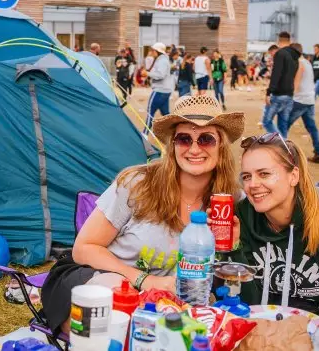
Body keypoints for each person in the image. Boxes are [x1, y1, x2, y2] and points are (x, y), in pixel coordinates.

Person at [41, 95, 245, 334]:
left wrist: (232, 245)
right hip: (99, 280)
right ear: (172, 145)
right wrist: (142, 280)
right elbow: (84, 248)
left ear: (221, 146)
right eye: (184, 139)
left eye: (206, 139)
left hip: (165, 301)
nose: (194, 148)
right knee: (115, 316)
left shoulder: (230, 200)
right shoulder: (138, 184)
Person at [220, 132, 319, 321]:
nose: (252, 184)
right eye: (246, 176)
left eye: (264, 174)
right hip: (258, 330)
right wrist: (234, 247)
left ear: (293, 176)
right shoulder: (241, 218)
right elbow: (246, 305)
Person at [284, 43, 319, 163]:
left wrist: (289, 97)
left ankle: (280, 153)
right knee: (312, 128)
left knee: (284, 125)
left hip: (300, 100)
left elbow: (296, 83)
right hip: (310, 99)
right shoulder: (307, 62)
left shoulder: (299, 64)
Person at [263, 32, 298, 136]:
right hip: (289, 94)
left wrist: (269, 92)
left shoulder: (280, 53)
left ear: (279, 40)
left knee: (267, 121)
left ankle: (281, 142)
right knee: (283, 125)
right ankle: (285, 149)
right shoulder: (295, 55)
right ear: (289, 40)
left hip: (279, 94)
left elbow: (276, 74)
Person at [143, 42, 173, 133]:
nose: (151, 52)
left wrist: (147, 73)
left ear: (157, 51)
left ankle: (145, 134)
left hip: (159, 90)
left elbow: (161, 75)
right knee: (166, 114)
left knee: (150, 113)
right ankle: (173, 132)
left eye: (153, 50)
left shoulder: (162, 61)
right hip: (164, 90)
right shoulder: (162, 59)